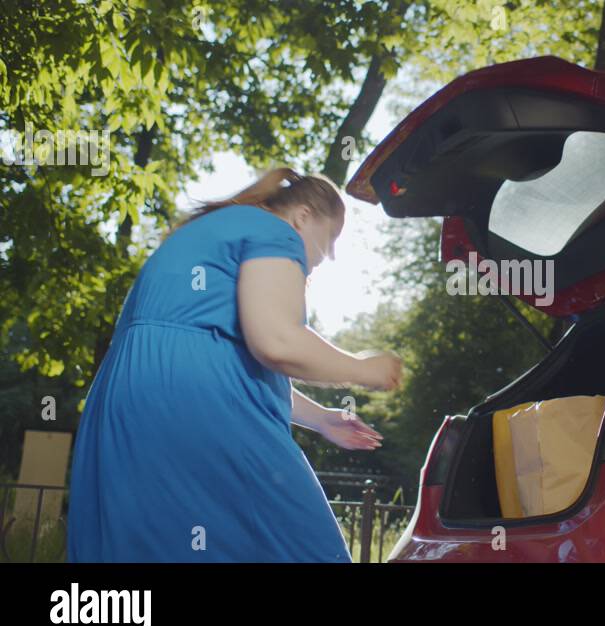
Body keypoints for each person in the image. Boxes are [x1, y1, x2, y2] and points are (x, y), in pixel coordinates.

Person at [66, 167, 402, 562]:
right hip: (196, 400)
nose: (327, 257)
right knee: (302, 546)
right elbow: (275, 342)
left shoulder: (215, 229)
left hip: (131, 398)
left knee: (158, 546)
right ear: (303, 217)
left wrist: (322, 419)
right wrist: (363, 369)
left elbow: (229, 360)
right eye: (329, 240)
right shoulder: (274, 232)